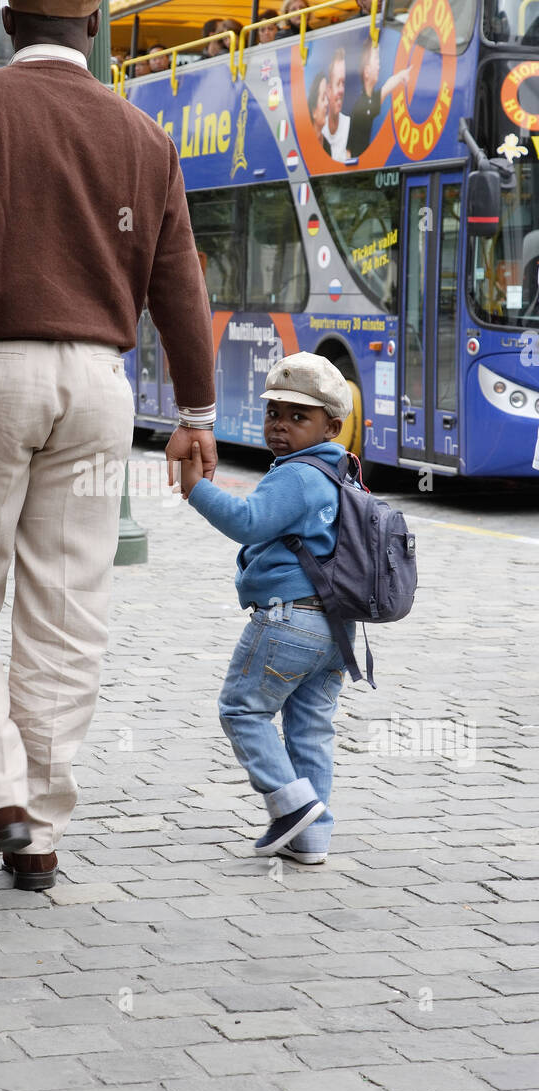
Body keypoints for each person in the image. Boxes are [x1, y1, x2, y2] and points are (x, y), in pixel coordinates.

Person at [0, 0, 217, 891]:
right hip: (102, 390)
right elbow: (177, 280)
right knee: (70, 610)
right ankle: (36, 832)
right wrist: (195, 410)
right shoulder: (143, 136)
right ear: (93, 31)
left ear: (7, 24)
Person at [179, 352, 355, 863]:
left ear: (333, 426)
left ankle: (289, 805)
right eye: (273, 413)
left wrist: (196, 489)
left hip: (287, 621)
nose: (280, 426)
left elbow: (250, 522)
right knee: (310, 730)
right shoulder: (343, 473)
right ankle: (311, 839)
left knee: (241, 708)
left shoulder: (297, 475)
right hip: (335, 629)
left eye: (298, 417)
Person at [348, 42, 410, 158]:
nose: (379, 65)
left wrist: (401, 75)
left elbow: (386, 88)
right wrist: (402, 75)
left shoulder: (368, 101)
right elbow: (386, 89)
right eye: (376, 59)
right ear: (366, 72)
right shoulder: (363, 105)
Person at [322, 47, 350, 161]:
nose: (341, 90)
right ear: (328, 90)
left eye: (343, 83)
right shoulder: (319, 131)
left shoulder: (350, 126)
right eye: (338, 83)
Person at [308, 71, 332, 155]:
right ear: (314, 111)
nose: (327, 103)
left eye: (326, 98)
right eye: (323, 98)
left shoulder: (327, 146)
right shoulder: (305, 147)